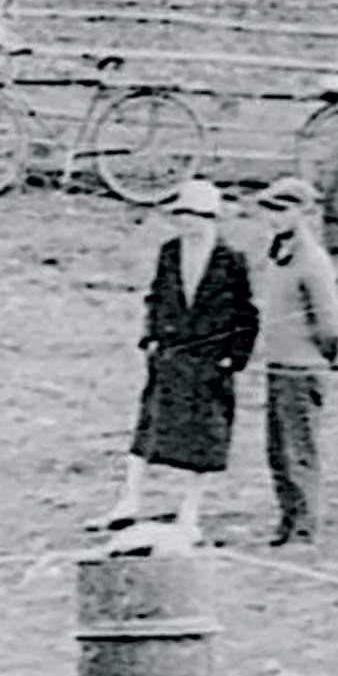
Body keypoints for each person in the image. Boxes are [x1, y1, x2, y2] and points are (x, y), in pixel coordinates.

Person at [116, 180, 259, 542]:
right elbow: (156, 296)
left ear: (210, 219)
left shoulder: (231, 260)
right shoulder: (169, 252)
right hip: (170, 355)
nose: (185, 223)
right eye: (180, 215)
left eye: (192, 216)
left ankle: (189, 509)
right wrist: (149, 338)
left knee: (203, 439)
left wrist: (234, 357)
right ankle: (128, 500)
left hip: (209, 361)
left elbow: (246, 313)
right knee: (149, 429)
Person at [247, 179, 338, 546]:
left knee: (299, 450)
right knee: (278, 451)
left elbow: (329, 324)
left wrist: (325, 358)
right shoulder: (278, 253)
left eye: (284, 210)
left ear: (304, 213)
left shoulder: (313, 261)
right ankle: (288, 520)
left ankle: (305, 528)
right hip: (278, 367)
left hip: (303, 370)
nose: (275, 219)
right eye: (270, 211)